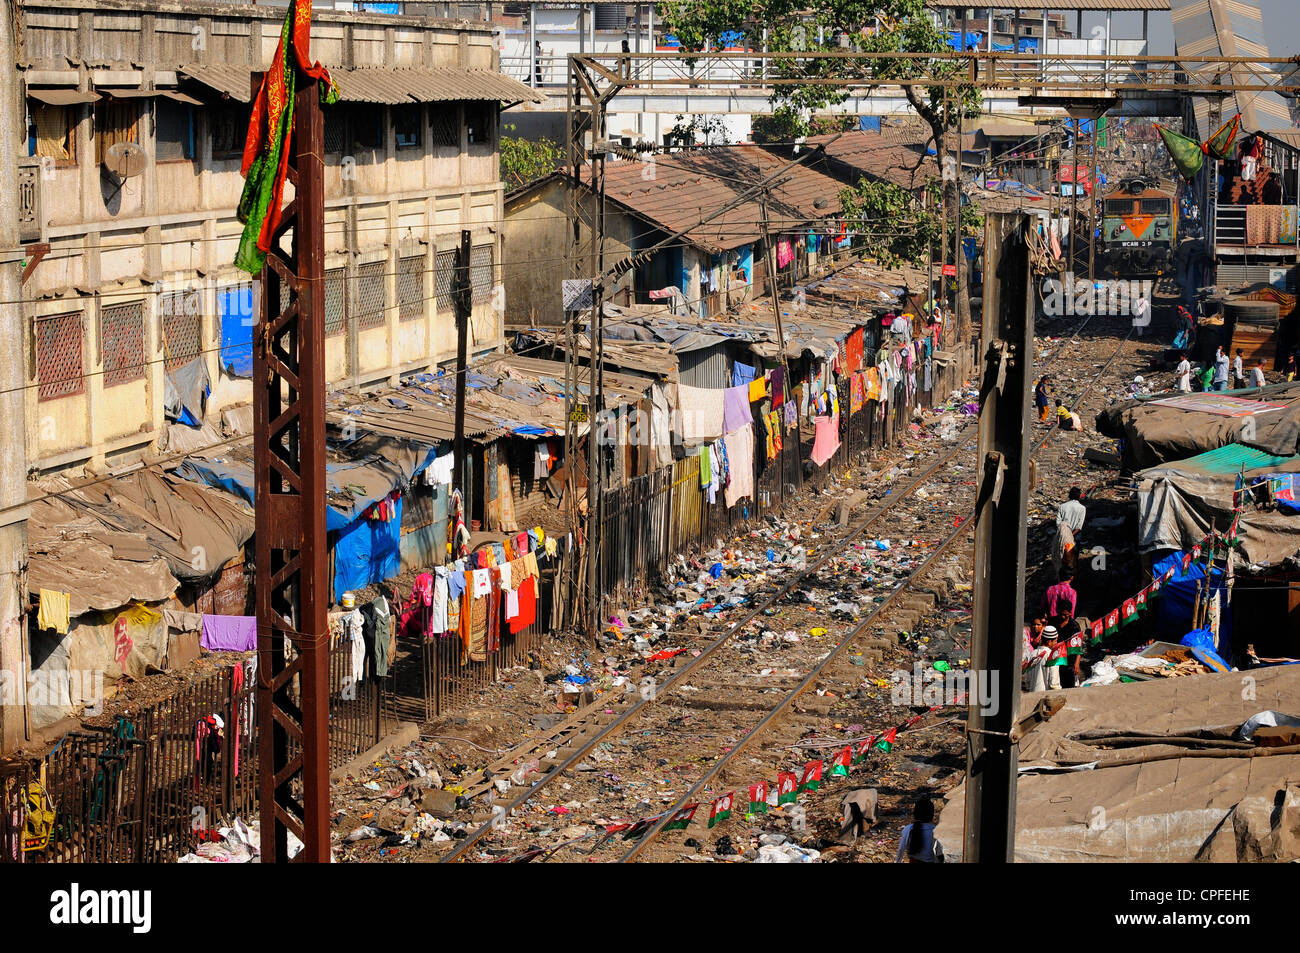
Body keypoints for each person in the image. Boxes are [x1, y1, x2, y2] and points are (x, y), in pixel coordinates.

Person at [895, 798, 943, 863]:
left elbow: (901, 849)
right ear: (931, 815)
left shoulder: (909, 829)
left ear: (915, 813)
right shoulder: (935, 830)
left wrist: (898, 861)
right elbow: (939, 854)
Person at [1024, 625, 1064, 692]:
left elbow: (1028, 681)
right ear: (1049, 641)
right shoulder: (1052, 656)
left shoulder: (1031, 654)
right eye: (1055, 641)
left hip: (1032, 695)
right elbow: (1054, 684)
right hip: (1045, 697)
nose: (1056, 643)